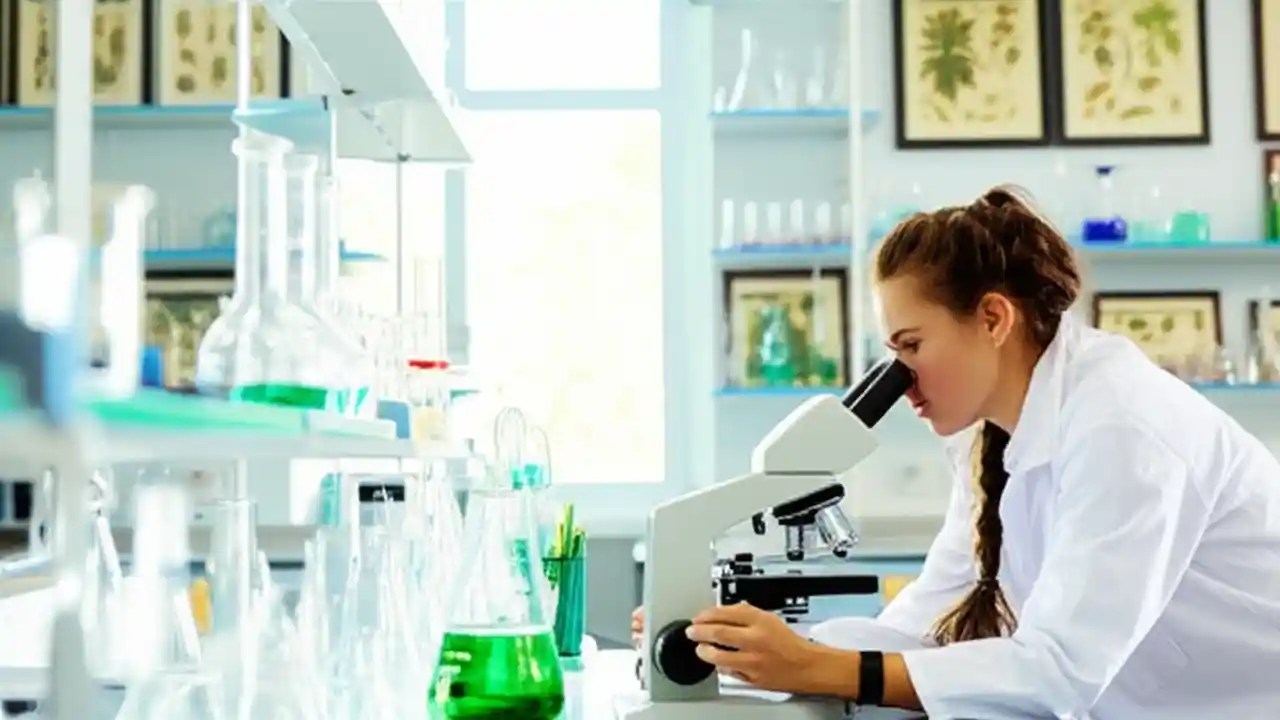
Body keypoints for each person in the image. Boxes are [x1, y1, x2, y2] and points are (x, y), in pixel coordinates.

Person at [631, 186, 1280, 718]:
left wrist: (817, 667)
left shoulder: (1122, 427)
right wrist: (746, 647)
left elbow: (1057, 672)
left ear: (993, 319)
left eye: (911, 347)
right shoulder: (993, 436)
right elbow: (930, 622)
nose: (900, 380)